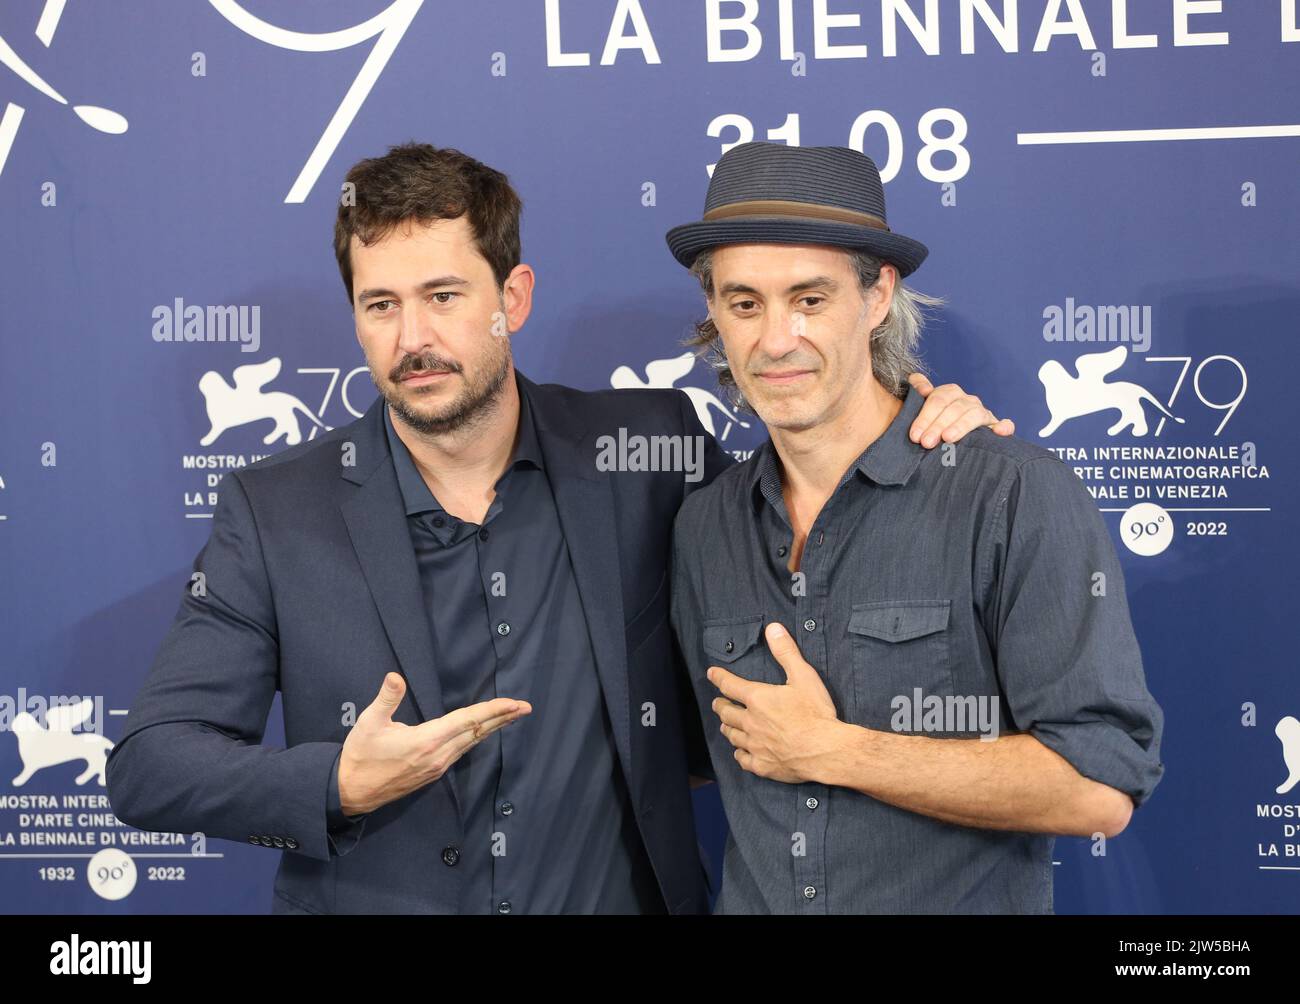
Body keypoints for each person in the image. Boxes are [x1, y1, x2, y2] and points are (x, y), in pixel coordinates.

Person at [106, 143, 1011, 914]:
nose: (412, 337)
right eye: (380, 305)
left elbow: (813, 495)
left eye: (445, 295)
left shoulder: (646, 450)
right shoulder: (277, 510)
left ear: (515, 296)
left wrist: (920, 423)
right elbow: (150, 765)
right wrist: (334, 785)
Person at [666, 141, 1165, 914]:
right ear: (714, 316)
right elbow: (692, 756)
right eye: (744, 303)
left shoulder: (1012, 495)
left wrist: (838, 752)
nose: (774, 339)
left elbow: (1098, 785)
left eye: (810, 299)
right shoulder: (704, 525)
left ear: (875, 298)